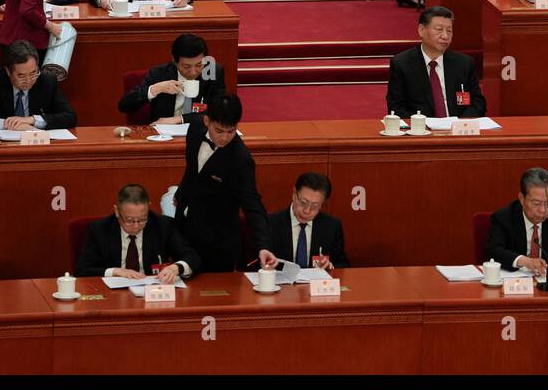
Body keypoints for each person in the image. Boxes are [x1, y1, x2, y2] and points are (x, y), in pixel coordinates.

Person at [174, 93, 277, 273]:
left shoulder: (241, 160)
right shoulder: (196, 127)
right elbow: (192, 168)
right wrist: (182, 191)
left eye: (231, 131)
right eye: (219, 131)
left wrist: (263, 246)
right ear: (207, 121)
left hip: (217, 243)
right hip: (185, 227)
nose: (225, 138)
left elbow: (253, 205)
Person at [75, 184, 200, 282]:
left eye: (142, 219)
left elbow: (192, 257)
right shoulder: (100, 229)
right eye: (129, 220)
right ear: (117, 211)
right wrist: (116, 272)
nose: (136, 226)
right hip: (113, 297)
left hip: (152, 294)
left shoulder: (163, 225)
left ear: (148, 208)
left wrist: (176, 268)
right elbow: (82, 270)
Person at [386, 5, 486, 118]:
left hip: (457, 130)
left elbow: (478, 104)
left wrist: (459, 125)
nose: (445, 36)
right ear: (421, 30)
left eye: (449, 31)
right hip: (422, 131)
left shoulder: (464, 64)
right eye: (439, 30)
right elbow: (396, 108)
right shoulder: (402, 64)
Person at [118, 32, 225, 125]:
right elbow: (124, 106)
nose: (193, 72)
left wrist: (180, 119)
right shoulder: (159, 73)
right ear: (174, 61)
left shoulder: (212, 72)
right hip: (165, 136)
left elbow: (219, 111)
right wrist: (155, 89)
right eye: (186, 67)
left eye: (199, 65)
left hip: (200, 132)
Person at [0, 40, 76, 130]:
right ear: (8, 71)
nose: (28, 80)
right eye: (21, 76)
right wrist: (8, 124)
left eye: (33, 73)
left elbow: (70, 117)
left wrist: (33, 120)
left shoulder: (47, 81)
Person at [269, 173, 350, 270]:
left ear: (322, 204)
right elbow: (255, 263)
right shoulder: (270, 223)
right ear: (294, 194)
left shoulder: (332, 226)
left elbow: (342, 265)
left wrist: (330, 266)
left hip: (316, 284)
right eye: (303, 203)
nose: (307, 211)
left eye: (315, 206)